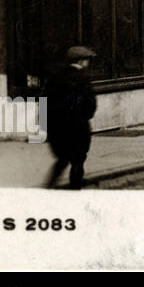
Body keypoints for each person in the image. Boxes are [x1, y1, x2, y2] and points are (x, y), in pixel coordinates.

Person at [45, 45, 97, 189]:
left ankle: (49, 186)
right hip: (78, 127)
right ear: (81, 61)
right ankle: (75, 188)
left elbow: (45, 101)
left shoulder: (55, 78)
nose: (88, 63)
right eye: (87, 60)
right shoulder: (83, 79)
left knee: (62, 160)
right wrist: (84, 117)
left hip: (57, 128)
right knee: (78, 160)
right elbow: (90, 105)